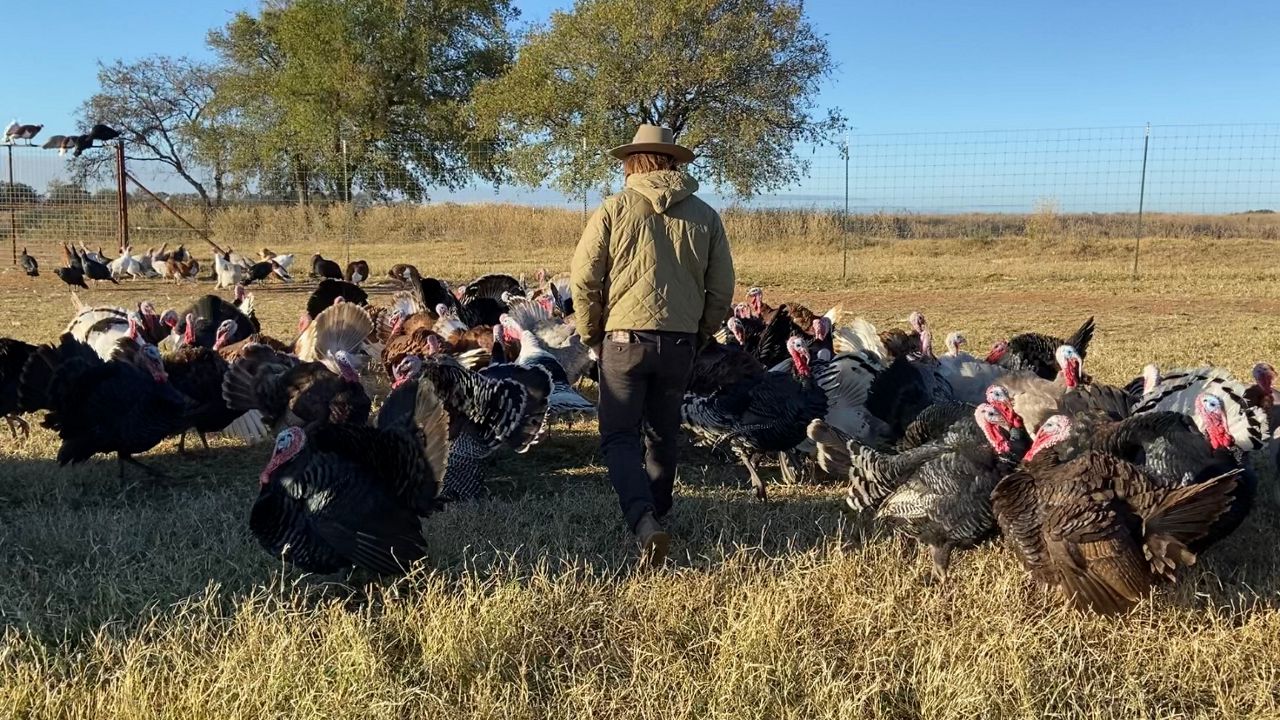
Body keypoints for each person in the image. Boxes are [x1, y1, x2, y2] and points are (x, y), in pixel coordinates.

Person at [570, 124, 735, 565]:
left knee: (619, 434)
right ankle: (660, 511)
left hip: (623, 341)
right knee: (663, 433)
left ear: (632, 163)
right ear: (673, 162)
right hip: (680, 342)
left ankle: (643, 519)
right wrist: (699, 332)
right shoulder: (705, 215)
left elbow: (584, 279)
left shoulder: (613, 209)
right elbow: (722, 288)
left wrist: (592, 334)